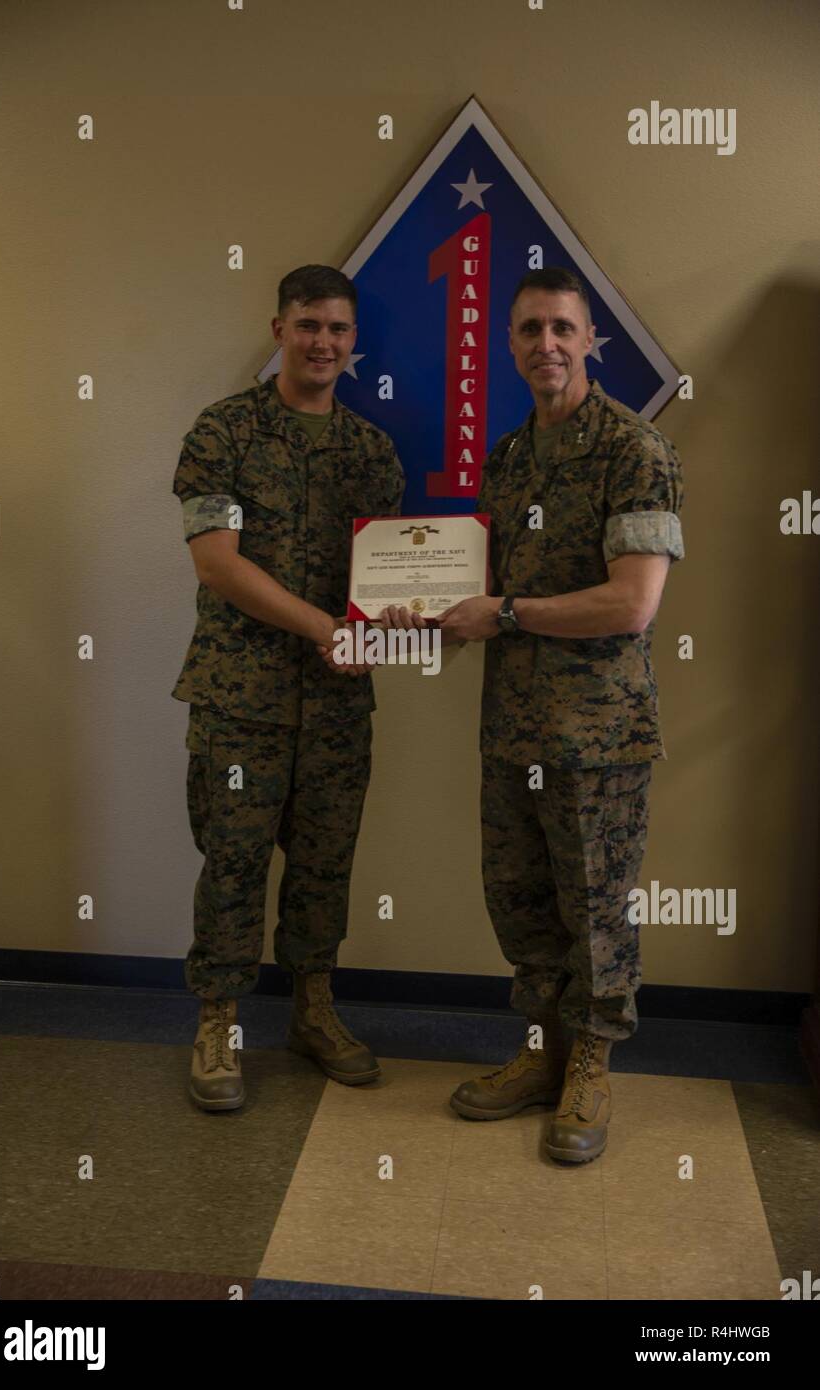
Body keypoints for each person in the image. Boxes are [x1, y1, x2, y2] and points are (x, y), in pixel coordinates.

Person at [383, 266, 684, 1163]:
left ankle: (590, 1061)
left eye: (562, 328)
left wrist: (503, 614)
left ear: (591, 340)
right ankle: (542, 1050)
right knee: (519, 901)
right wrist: (417, 612)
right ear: (508, 345)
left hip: (597, 734)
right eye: (528, 331)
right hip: (511, 726)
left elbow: (632, 605)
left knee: (594, 904)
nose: (545, 345)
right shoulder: (510, 459)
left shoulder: (635, 450)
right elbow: (480, 590)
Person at [172, 265, 404, 1111]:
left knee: (323, 867)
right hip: (242, 699)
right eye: (308, 325)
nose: (322, 343)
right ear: (278, 330)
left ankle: (313, 1011)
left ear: (352, 342)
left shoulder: (370, 452)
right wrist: (324, 630)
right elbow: (217, 564)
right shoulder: (223, 433)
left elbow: (387, 580)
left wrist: (401, 624)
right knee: (231, 864)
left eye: (338, 330)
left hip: (338, 706)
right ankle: (219, 1025)